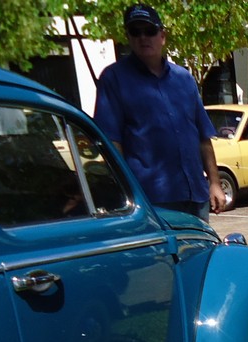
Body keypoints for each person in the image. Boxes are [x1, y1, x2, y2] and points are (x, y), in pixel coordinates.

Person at [93, 4, 225, 220]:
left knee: (201, 253)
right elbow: (112, 145)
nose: (143, 37)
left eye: (150, 31)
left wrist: (215, 183)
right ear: (128, 37)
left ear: (162, 36)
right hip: (152, 200)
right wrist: (127, 194)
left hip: (195, 195)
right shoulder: (113, 79)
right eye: (135, 32)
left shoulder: (184, 79)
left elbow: (203, 137)